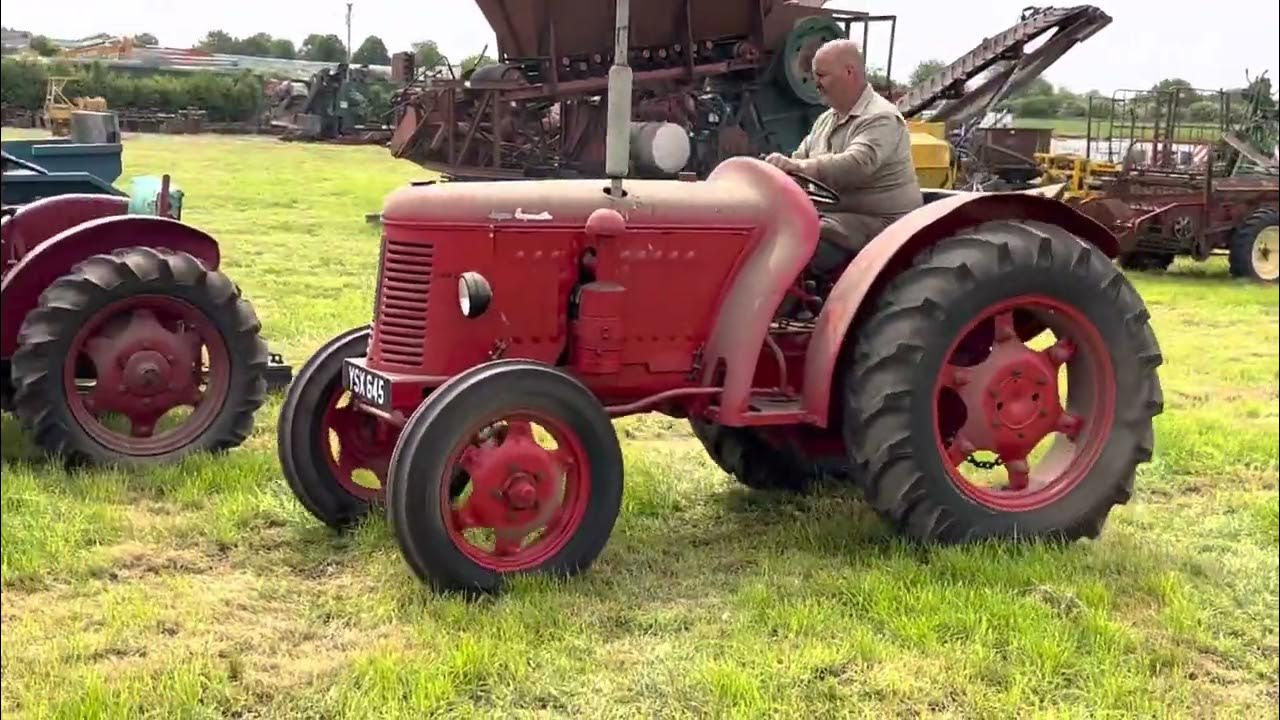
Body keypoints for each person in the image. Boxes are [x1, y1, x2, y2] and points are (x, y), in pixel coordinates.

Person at [764, 39, 922, 272]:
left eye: (822, 75)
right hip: (836, 216)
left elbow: (858, 163)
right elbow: (799, 158)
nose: (816, 82)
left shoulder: (880, 117)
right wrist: (778, 171)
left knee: (795, 255)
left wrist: (800, 167)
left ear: (849, 72)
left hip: (879, 222)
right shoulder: (826, 120)